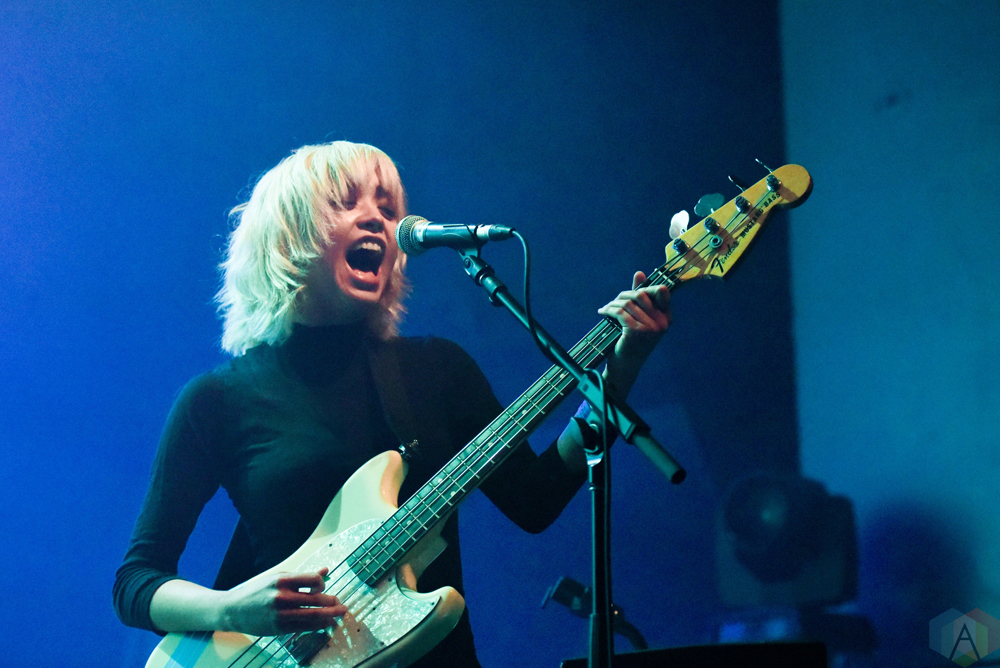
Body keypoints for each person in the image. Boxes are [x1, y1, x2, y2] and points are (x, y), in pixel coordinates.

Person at [113, 140, 671, 667]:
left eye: (387, 205)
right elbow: (137, 581)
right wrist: (233, 608)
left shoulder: (436, 369)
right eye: (345, 202)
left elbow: (535, 499)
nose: (378, 218)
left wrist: (620, 368)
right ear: (288, 237)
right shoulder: (218, 400)